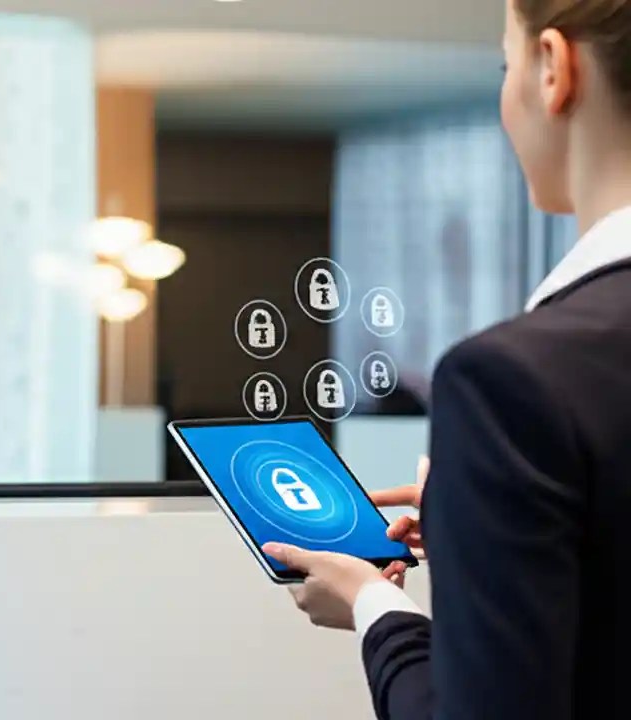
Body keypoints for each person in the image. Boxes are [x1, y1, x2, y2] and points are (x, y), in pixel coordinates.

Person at [261, 1, 631, 718]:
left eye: (507, 64)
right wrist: (489, 517)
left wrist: (374, 609)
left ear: (554, 68)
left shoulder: (511, 383)